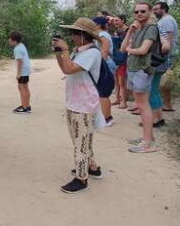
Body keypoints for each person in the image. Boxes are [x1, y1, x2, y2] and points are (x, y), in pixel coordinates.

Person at [52, 18, 104, 194]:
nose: (71, 36)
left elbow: (70, 69)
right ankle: (93, 167)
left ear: (83, 35)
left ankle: (81, 178)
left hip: (84, 104)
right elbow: (64, 67)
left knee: (80, 142)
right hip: (75, 102)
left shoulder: (92, 53)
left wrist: (65, 50)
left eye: (74, 33)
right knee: (81, 140)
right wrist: (60, 53)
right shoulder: (79, 51)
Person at [121, 1, 159, 153]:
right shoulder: (138, 29)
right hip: (134, 68)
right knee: (142, 104)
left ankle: (148, 143)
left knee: (143, 106)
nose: (139, 14)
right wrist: (129, 32)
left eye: (143, 11)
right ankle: (147, 137)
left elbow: (143, 50)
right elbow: (123, 49)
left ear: (150, 12)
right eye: (136, 12)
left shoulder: (151, 28)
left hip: (142, 69)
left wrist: (130, 49)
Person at [153, 2, 179, 116]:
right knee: (163, 80)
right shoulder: (163, 20)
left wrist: (162, 53)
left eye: (156, 9)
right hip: (166, 54)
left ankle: (166, 104)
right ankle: (166, 104)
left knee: (164, 80)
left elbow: (168, 38)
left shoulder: (167, 20)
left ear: (163, 9)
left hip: (167, 54)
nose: (154, 11)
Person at [93, 16, 116, 126]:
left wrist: (98, 64)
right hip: (104, 64)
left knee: (103, 93)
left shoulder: (103, 35)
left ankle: (108, 118)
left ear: (98, 25)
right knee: (100, 92)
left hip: (106, 65)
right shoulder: (101, 35)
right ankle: (103, 116)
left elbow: (105, 51)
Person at [8, 31, 32, 114]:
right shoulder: (21, 45)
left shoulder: (17, 49)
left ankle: (24, 107)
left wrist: (18, 73)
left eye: (10, 39)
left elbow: (20, 61)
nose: (9, 41)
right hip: (26, 70)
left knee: (21, 88)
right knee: (25, 87)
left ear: (14, 41)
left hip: (23, 71)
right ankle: (27, 105)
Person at [111, 15, 130, 110]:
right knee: (116, 81)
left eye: (117, 20)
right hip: (116, 58)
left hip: (123, 58)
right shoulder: (116, 30)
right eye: (114, 21)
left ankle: (124, 101)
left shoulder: (128, 31)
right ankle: (117, 99)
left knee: (121, 81)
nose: (115, 22)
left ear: (123, 20)